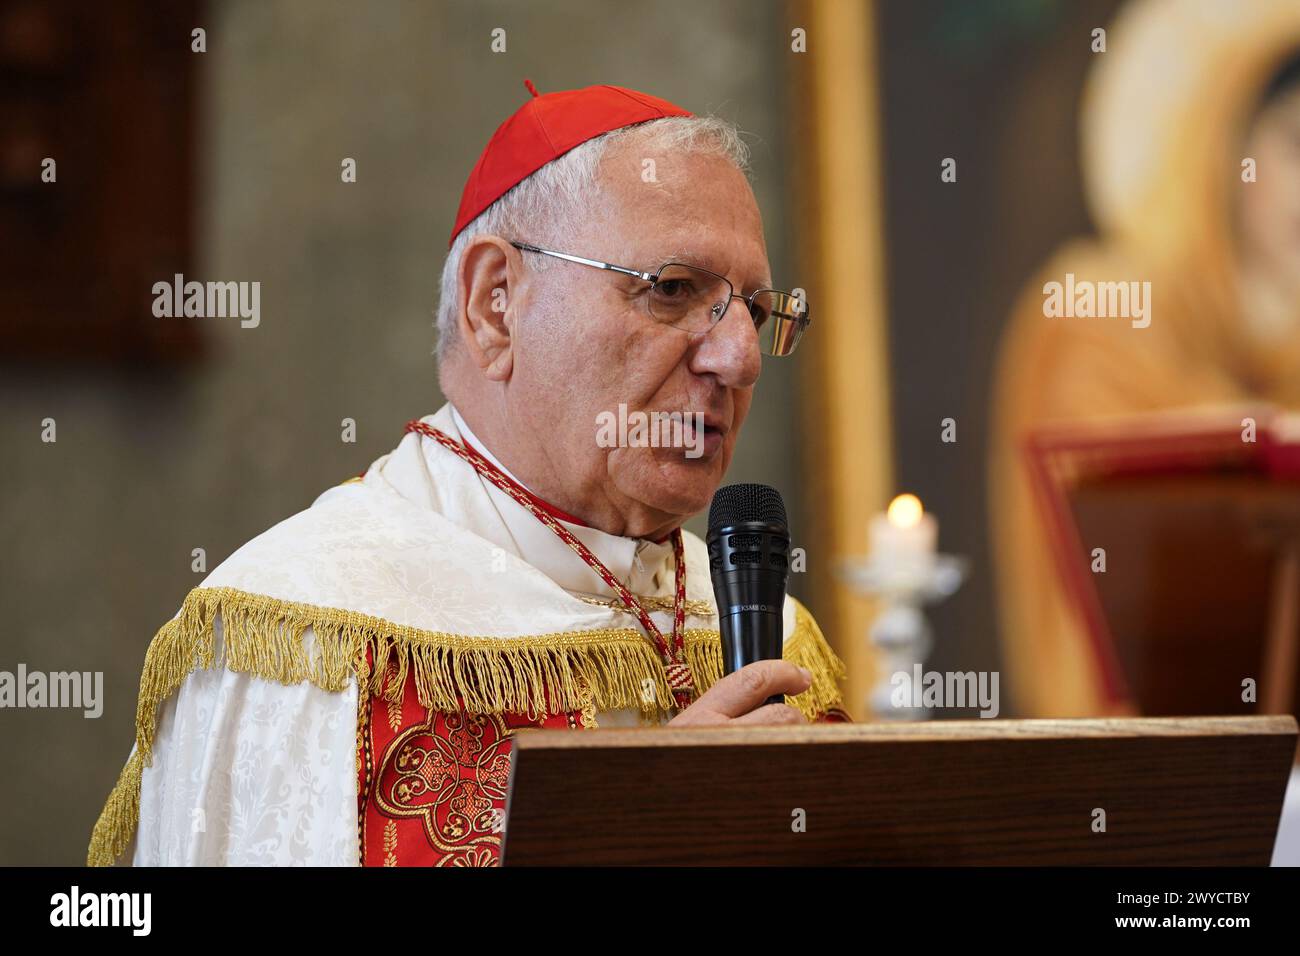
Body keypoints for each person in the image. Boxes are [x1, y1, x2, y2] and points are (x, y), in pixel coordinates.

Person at [87, 82, 849, 867]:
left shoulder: (770, 637)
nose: (740, 358)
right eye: (672, 289)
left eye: (754, 310)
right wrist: (631, 828)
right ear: (496, 305)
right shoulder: (305, 641)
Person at [990, 0, 1300, 718]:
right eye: (1293, 144)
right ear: (1225, 147)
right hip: (1144, 754)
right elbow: (1123, 510)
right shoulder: (1098, 307)